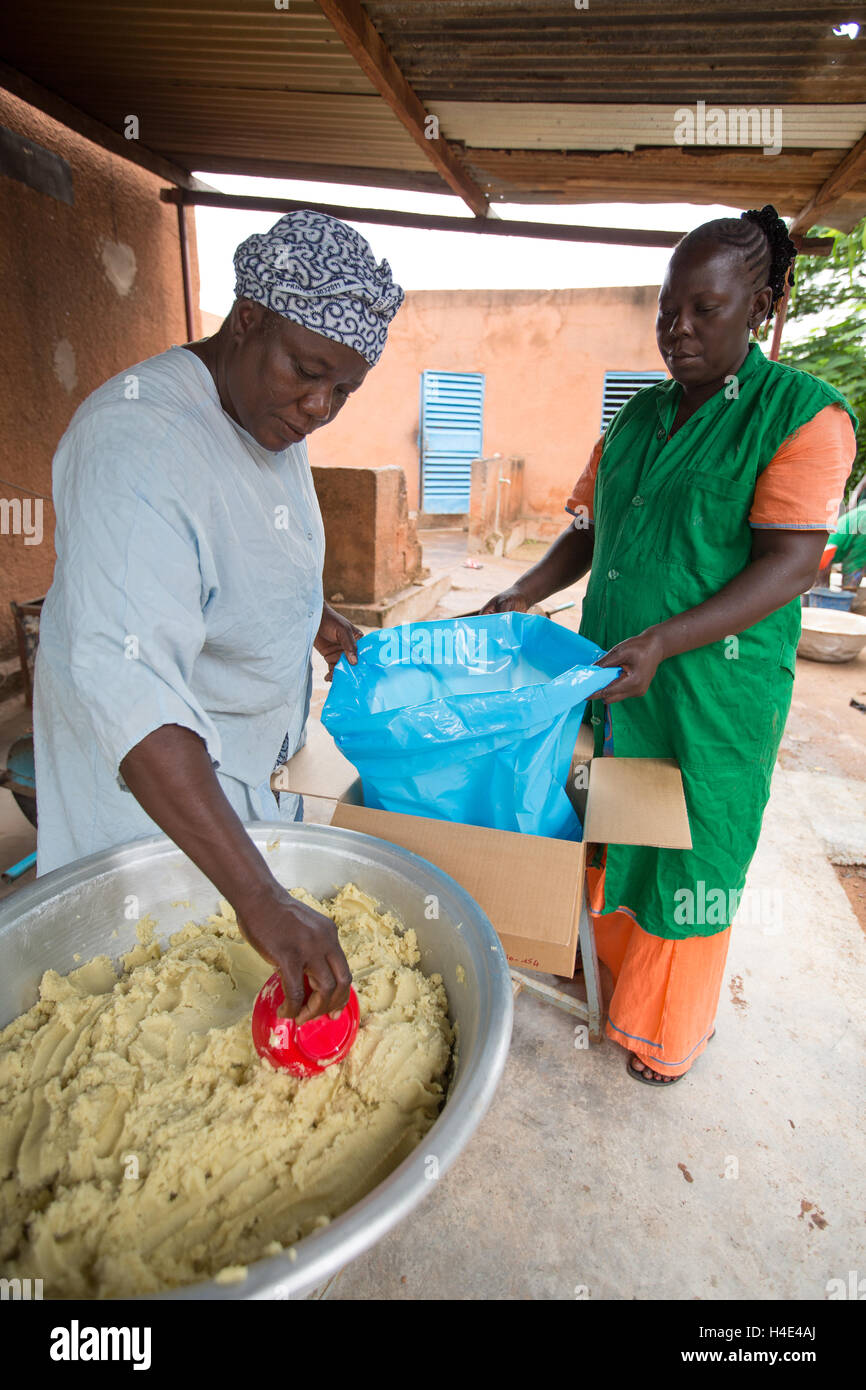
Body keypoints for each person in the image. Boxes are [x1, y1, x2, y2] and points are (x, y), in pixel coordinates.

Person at [483, 205, 858, 1085]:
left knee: (694, 844)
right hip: (610, 669)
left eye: (705, 309)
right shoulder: (640, 415)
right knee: (603, 821)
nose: (677, 330)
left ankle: (663, 1032)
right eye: (666, 310)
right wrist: (519, 592)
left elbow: (792, 564)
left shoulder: (802, 415)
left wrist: (663, 639)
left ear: (760, 307)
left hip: (710, 693)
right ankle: (599, 966)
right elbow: (588, 529)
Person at [34, 210, 404, 1025]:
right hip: (156, 788)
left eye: (344, 390)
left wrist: (313, 617)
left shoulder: (266, 407)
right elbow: (135, 694)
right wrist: (261, 896)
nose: (320, 408)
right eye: (309, 373)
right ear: (247, 319)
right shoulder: (139, 442)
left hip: (244, 765)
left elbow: (235, 552)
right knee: (151, 1004)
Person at [817, 497, 866, 590]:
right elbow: (853, 565)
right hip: (824, 552)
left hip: (823, 547)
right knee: (821, 595)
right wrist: (849, 594)